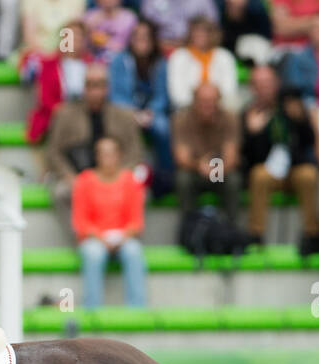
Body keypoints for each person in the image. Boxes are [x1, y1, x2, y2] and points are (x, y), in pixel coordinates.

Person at [42, 61, 141, 222]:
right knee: (61, 191)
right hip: (78, 177)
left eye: (100, 84)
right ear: (83, 88)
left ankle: (122, 235)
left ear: (108, 87)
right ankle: (83, 238)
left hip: (115, 176)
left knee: (138, 189)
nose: (95, 90)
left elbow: (135, 152)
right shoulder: (65, 114)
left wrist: (119, 177)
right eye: (90, 85)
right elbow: (53, 152)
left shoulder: (124, 116)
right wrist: (69, 177)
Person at [72, 136, 148, 308]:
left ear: (119, 155)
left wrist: (122, 237)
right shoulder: (84, 181)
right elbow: (80, 222)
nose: (108, 158)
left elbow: (136, 221)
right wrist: (101, 238)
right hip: (94, 239)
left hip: (124, 237)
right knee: (94, 254)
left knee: (134, 252)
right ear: (97, 157)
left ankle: (138, 309)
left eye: (112, 154)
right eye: (104, 154)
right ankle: (92, 310)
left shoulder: (131, 181)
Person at [248, 81, 319, 252]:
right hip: (271, 171)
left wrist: (300, 122)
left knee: (309, 175)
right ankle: (256, 234)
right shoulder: (263, 117)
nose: (291, 106)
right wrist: (255, 133)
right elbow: (253, 156)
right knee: (258, 175)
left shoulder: (305, 120)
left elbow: (309, 151)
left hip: (295, 171)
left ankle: (312, 235)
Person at [109, 19, 171, 191]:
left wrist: (151, 112)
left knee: (162, 127)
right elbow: (116, 95)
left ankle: (165, 175)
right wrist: (134, 114)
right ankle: (123, 176)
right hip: (127, 112)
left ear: (153, 40)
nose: (141, 40)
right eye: (137, 36)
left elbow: (162, 95)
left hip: (152, 112)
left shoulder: (161, 63)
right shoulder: (119, 60)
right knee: (122, 126)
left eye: (146, 37)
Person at [173, 81, 241, 222]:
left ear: (218, 101)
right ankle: (187, 228)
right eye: (203, 101)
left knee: (234, 180)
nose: (207, 105)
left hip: (220, 171)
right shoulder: (181, 120)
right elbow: (181, 158)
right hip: (194, 171)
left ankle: (231, 228)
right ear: (194, 101)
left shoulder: (230, 118)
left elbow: (231, 158)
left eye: (211, 101)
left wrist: (215, 167)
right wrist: (199, 165)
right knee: (182, 179)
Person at [166, 15, 238, 111]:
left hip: (219, 110)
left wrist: (211, 101)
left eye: (204, 31)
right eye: (196, 31)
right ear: (190, 33)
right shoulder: (179, 57)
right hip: (188, 110)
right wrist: (200, 102)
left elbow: (230, 91)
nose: (200, 35)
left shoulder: (224, 57)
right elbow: (177, 95)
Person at [138, 0, 219, 50]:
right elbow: (144, 28)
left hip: (192, 51)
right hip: (158, 53)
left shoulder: (202, 2)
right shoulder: (151, 1)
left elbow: (214, 29)